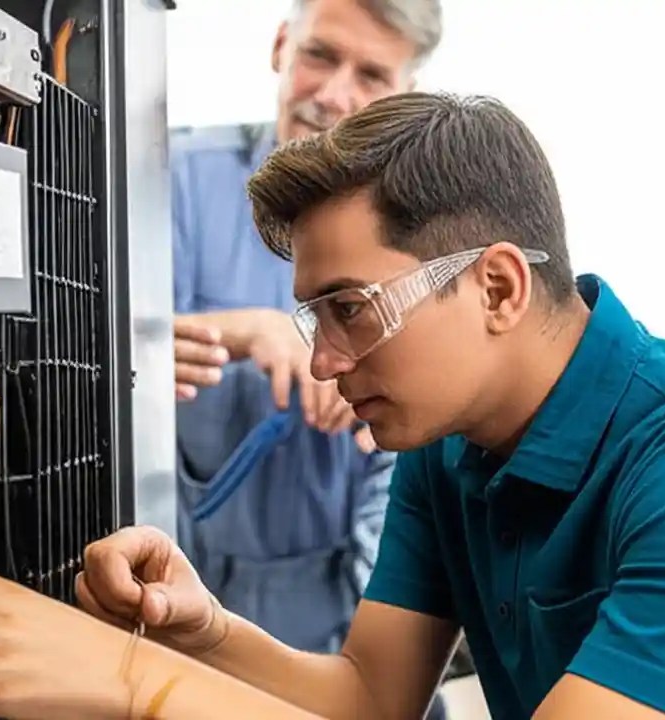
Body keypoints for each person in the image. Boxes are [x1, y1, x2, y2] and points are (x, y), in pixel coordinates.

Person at [0, 92, 665, 719]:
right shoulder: (446, 449)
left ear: (494, 287)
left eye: (348, 311)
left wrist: (125, 682)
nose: (320, 363)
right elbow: (367, 698)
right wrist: (199, 634)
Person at [166, 2, 452, 714]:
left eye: (371, 74)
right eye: (321, 55)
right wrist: (247, 331)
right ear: (279, 48)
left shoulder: (432, 229)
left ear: (407, 93)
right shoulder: (169, 179)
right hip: (187, 595)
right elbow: (97, 348)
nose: (332, 94)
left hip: (353, 609)